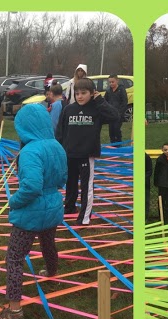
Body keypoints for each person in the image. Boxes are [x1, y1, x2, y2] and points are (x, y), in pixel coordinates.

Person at [0, 104, 65, 319]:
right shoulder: (57, 146)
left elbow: (32, 187)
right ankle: (51, 272)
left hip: (32, 212)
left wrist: (13, 201)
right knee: (48, 241)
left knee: (14, 258)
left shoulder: (31, 151)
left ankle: (14, 312)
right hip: (52, 207)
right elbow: (63, 178)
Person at [56, 78, 120, 225]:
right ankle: (69, 207)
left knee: (86, 187)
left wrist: (100, 101)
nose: (80, 96)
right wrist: (60, 149)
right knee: (70, 184)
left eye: (83, 93)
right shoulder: (68, 109)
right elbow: (61, 131)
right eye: (77, 93)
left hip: (87, 155)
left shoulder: (97, 109)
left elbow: (115, 116)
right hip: (69, 154)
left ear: (92, 93)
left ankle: (84, 217)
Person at [105, 75, 127, 143]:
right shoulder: (108, 91)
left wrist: (120, 113)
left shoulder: (121, 90)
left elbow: (124, 102)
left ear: (117, 81)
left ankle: (119, 144)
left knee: (116, 129)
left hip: (119, 115)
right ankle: (112, 144)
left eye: (112, 82)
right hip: (111, 115)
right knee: (111, 131)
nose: (111, 83)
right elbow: (105, 101)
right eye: (110, 82)